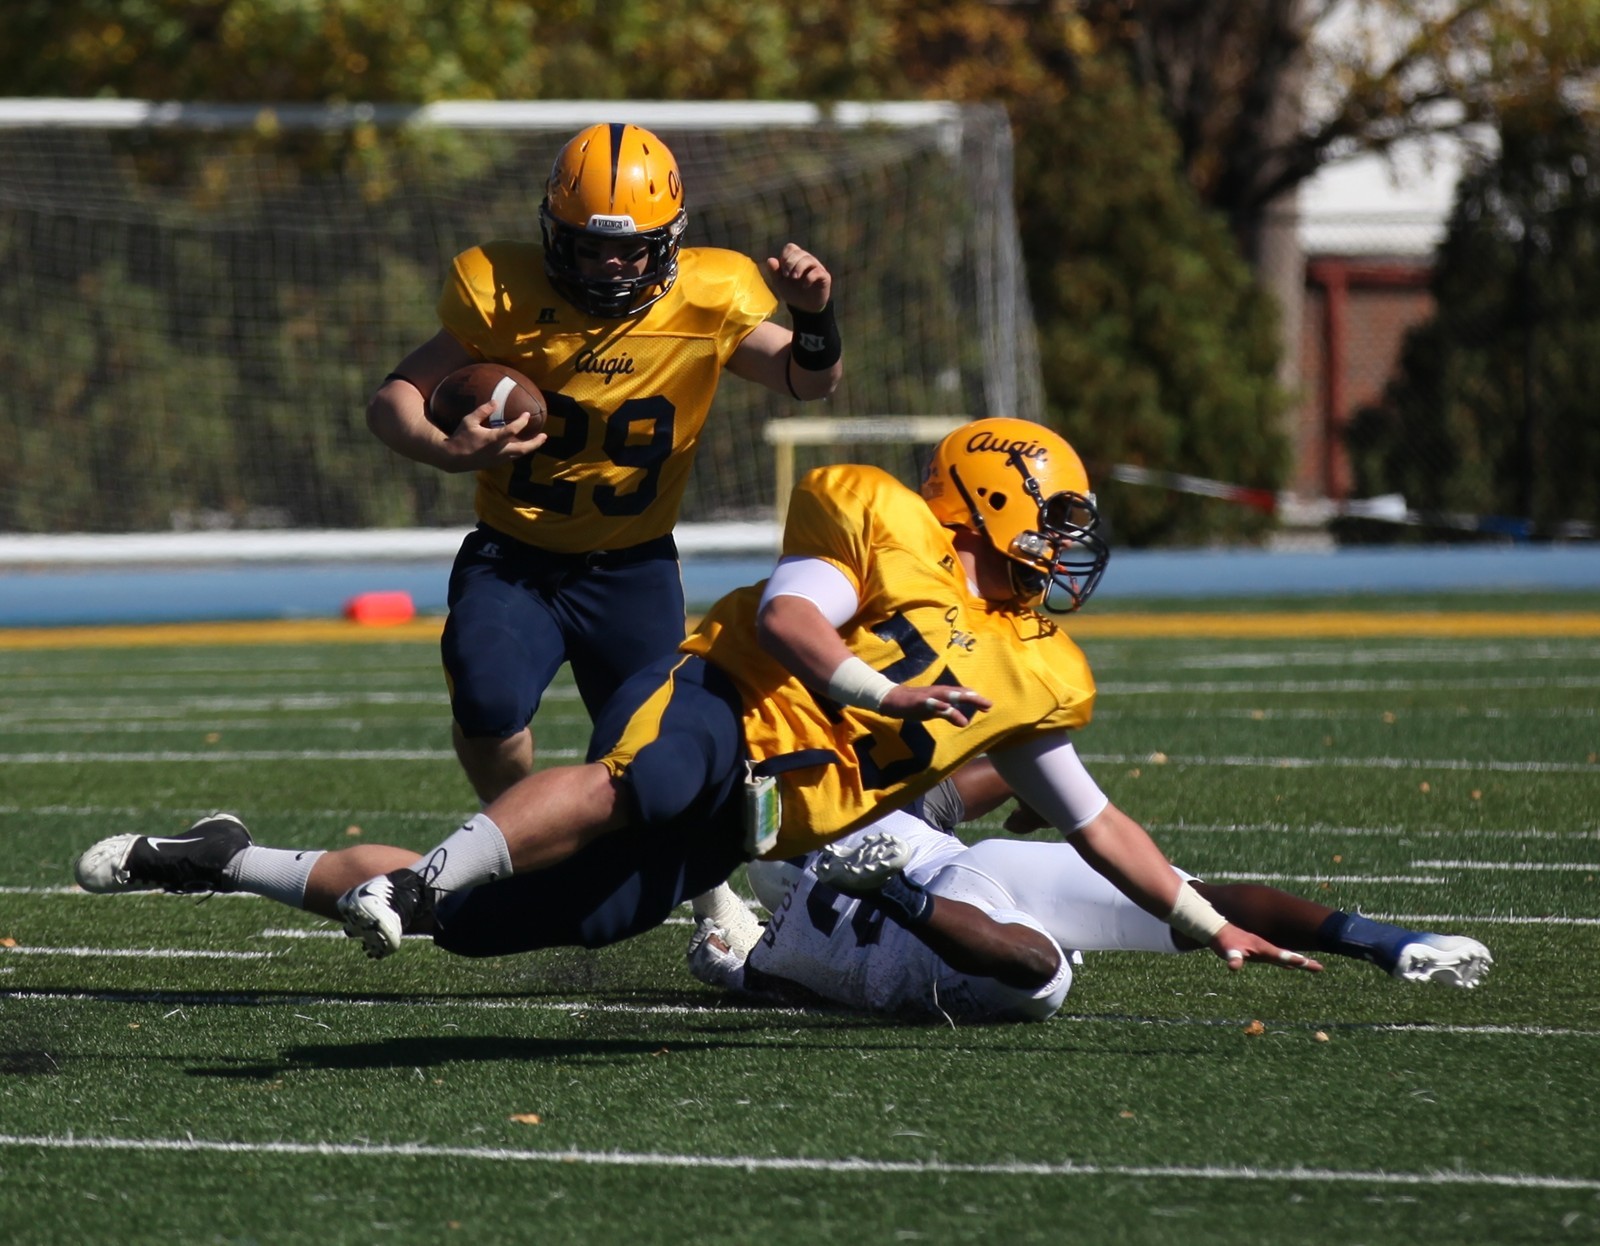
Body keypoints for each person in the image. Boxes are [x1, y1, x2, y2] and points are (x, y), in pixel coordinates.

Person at [75, 419, 1314, 984]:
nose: (1065, 544)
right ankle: (414, 879)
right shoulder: (878, 516)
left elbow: (1096, 824)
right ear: (986, 501)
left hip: (754, 826)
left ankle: (234, 859)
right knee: (645, 777)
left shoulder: (1038, 666)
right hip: (724, 699)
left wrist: (1208, 922)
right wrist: (885, 688)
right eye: (1050, 515)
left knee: (504, 933)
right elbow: (785, 619)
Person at [366, 121, 842, 806]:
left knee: (660, 756)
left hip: (631, 566)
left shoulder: (710, 297)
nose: (609, 267)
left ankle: (713, 898)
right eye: (589, 248)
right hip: (513, 559)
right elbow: (393, 400)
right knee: (486, 706)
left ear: (669, 242)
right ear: (556, 235)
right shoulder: (502, 293)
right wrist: (442, 449)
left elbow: (809, 380)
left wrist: (815, 317)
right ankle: (518, 848)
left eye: (630, 250)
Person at [685, 763, 1493, 1023]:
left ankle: (1382, 941)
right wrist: (1038, 783)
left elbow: (745, 965)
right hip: (945, 912)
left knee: (1047, 966)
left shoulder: (781, 942)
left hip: (924, 933)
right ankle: (1382, 940)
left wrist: (725, 946)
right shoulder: (854, 822)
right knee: (1062, 956)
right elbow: (993, 766)